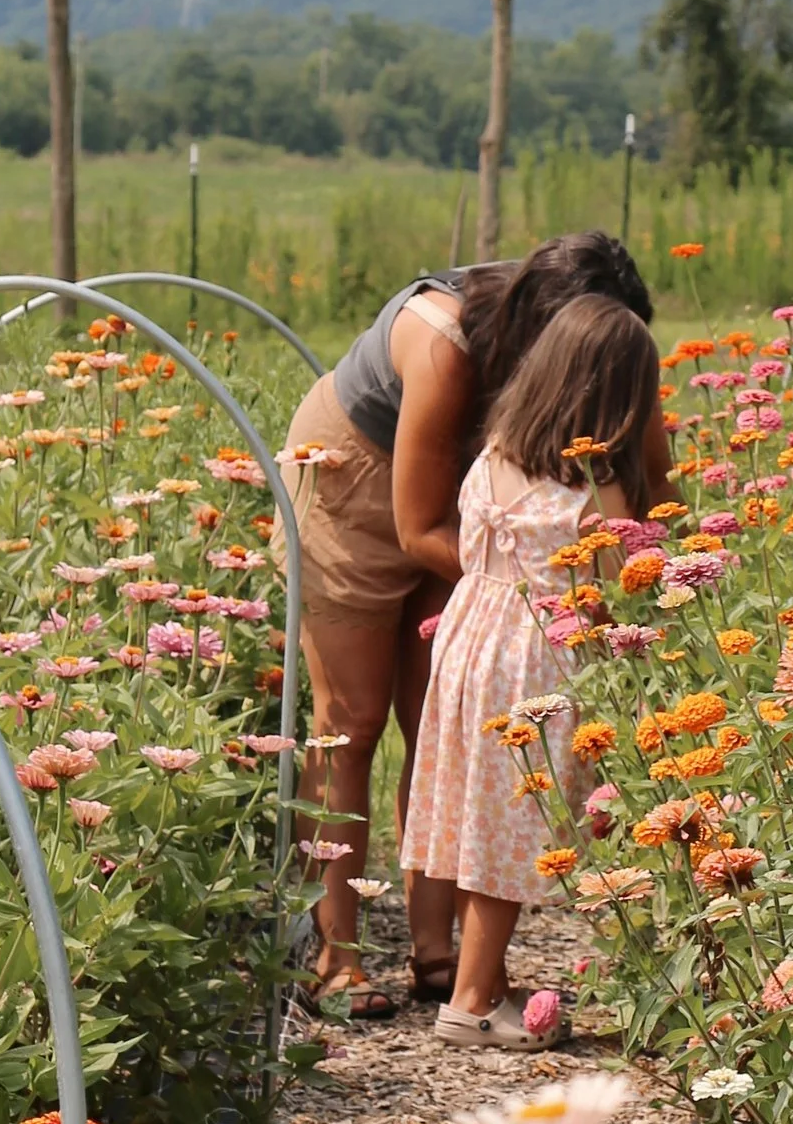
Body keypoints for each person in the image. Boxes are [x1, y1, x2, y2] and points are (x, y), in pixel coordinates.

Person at [280, 232, 660, 1018]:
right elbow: (420, 528)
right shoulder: (447, 341)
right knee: (349, 724)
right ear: (549, 332)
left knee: (448, 721)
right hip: (355, 483)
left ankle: (439, 955)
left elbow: (651, 468)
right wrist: (542, 589)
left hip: (485, 518)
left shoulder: (576, 357)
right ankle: (335, 954)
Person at [399, 292, 663, 1048]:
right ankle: (475, 1000)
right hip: (537, 658)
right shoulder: (591, 492)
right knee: (519, 828)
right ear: (613, 399)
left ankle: (490, 981)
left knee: (481, 819)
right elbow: (615, 590)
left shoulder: (491, 461)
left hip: (469, 641)